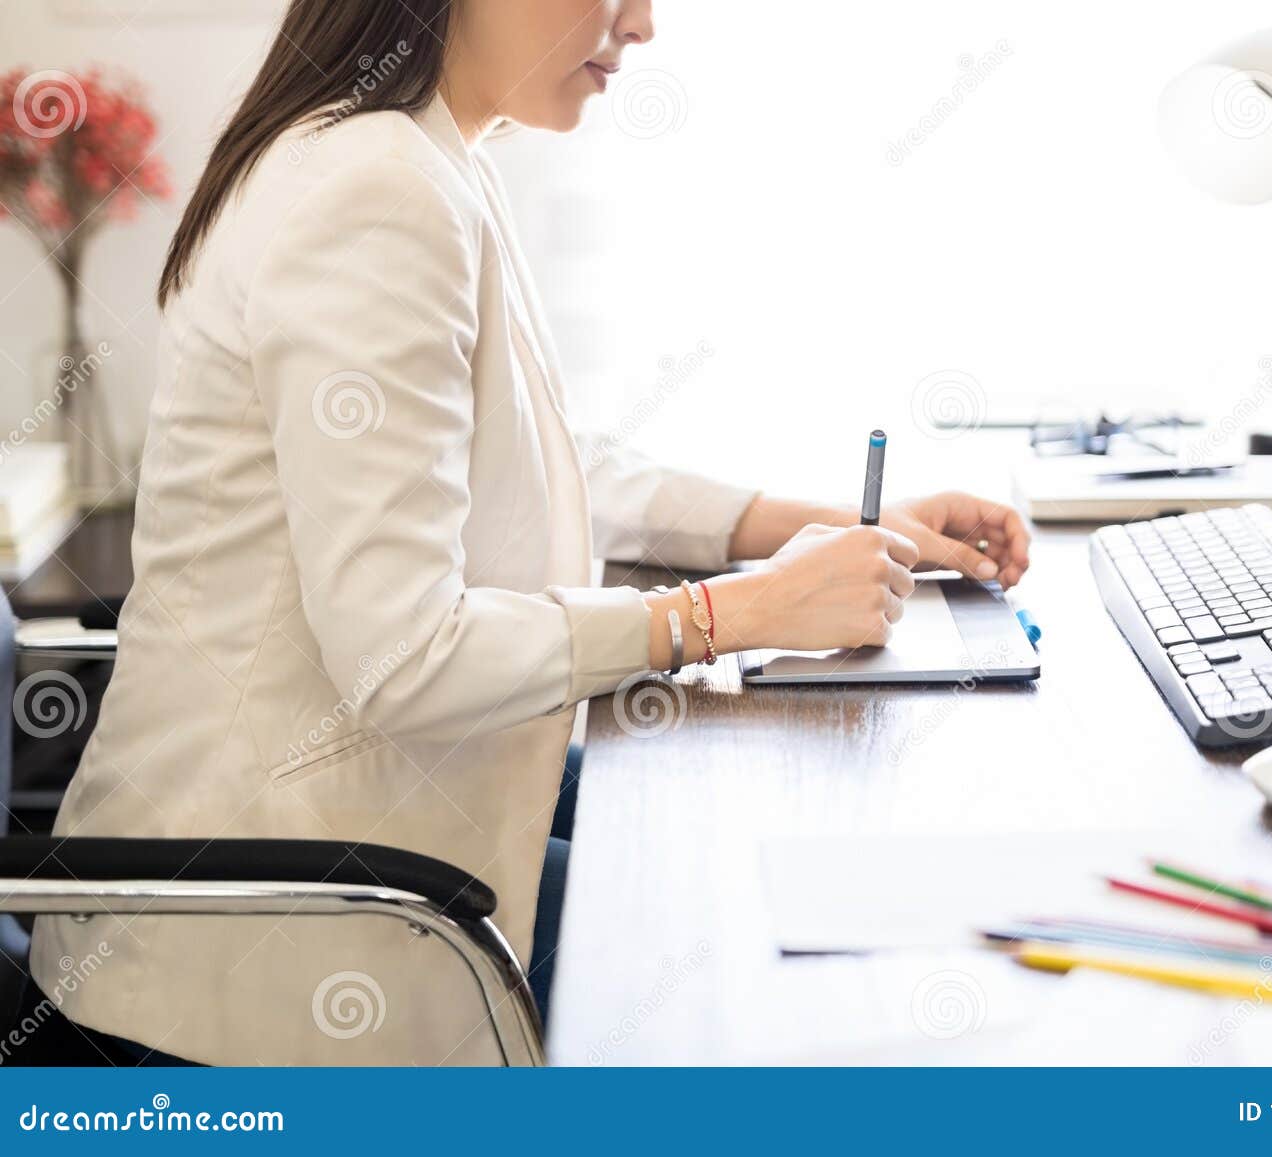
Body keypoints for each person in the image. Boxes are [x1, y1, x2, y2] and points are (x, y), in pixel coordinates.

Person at [28, 0, 1031, 1065]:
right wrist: (727, 614)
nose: (642, 25)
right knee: (742, 981)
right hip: (265, 949)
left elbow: (545, 458)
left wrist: (828, 525)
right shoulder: (372, 187)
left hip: (359, 858)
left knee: (741, 895)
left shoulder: (427, 153)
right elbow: (398, 651)